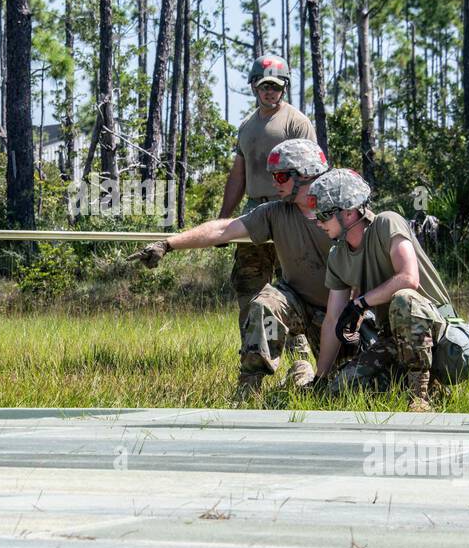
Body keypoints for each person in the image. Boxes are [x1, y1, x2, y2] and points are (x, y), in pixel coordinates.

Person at [129, 139, 333, 398]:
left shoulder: (344, 211)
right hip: (297, 304)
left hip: (339, 311)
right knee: (264, 304)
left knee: (342, 386)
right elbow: (222, 229)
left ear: (306, 175)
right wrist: (167, 245)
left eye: (281, 176)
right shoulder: (274, 212)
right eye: (273, 177)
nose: (274, 184)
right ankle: (249, 388)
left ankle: (300, 377)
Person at [308, 169, 469, 412]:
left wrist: (360, 303)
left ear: (348, 211)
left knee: (404, 300)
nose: (318, 223)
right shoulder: (337, 257)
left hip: (439, 335)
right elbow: (332, 319)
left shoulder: (387, 223)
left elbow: (409, 278)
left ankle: (421, 396)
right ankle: (418, 387)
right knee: (341, 388)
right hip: (394, 338)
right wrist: (321, 379)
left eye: (323, 216)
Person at [218, 55, 318, 369]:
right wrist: (224, 220)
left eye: (275, 87)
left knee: (293, 283)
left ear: (284, 87)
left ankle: (300, 358)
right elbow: (238, 175)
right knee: (250, 285)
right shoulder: (247, 127)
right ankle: (254, 352)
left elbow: (313, 170)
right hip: (254, 212)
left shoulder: (297, 122)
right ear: (254, 87)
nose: (270, 92)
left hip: (289, 212)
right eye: (264, 87)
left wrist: (311, 215)